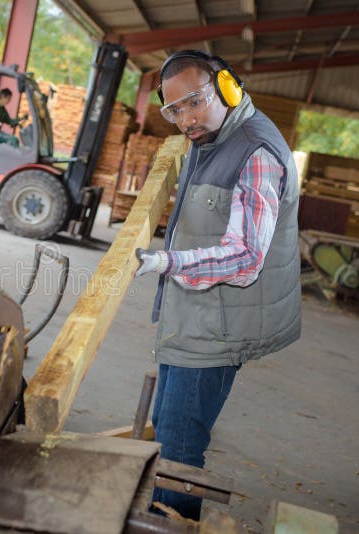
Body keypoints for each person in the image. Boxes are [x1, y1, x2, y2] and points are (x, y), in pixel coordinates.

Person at [134, 50, 302, 520]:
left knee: (180, 447)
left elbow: (246, 258)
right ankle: (159, 515)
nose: (185, 119)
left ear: (228, 88)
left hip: (218, 326)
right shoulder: (207, 135)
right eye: (173, 110)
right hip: (190, 314)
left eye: (194, 102)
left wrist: (168, 261)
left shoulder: (256, 153)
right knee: (166, 428)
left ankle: (172, 522)